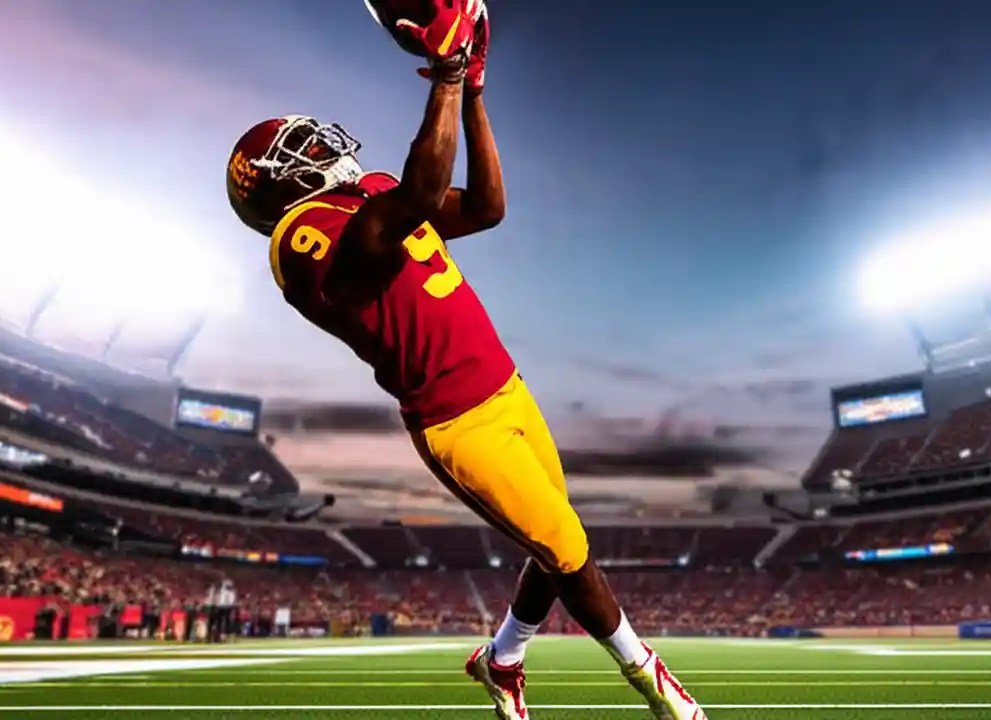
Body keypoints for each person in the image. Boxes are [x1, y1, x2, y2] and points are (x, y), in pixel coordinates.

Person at [224, 2, 704, 718]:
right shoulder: (298, 241)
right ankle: (651, 682)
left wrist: (473, 92)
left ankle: (502, 660)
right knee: (568, 548)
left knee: (554, 537)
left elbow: (486, 207)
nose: (321, 151)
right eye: (301, 152)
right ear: (273, 184)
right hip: (457, 422)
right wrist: (447, 75)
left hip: (508, 387)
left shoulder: (372, 191)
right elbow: (420, 194)